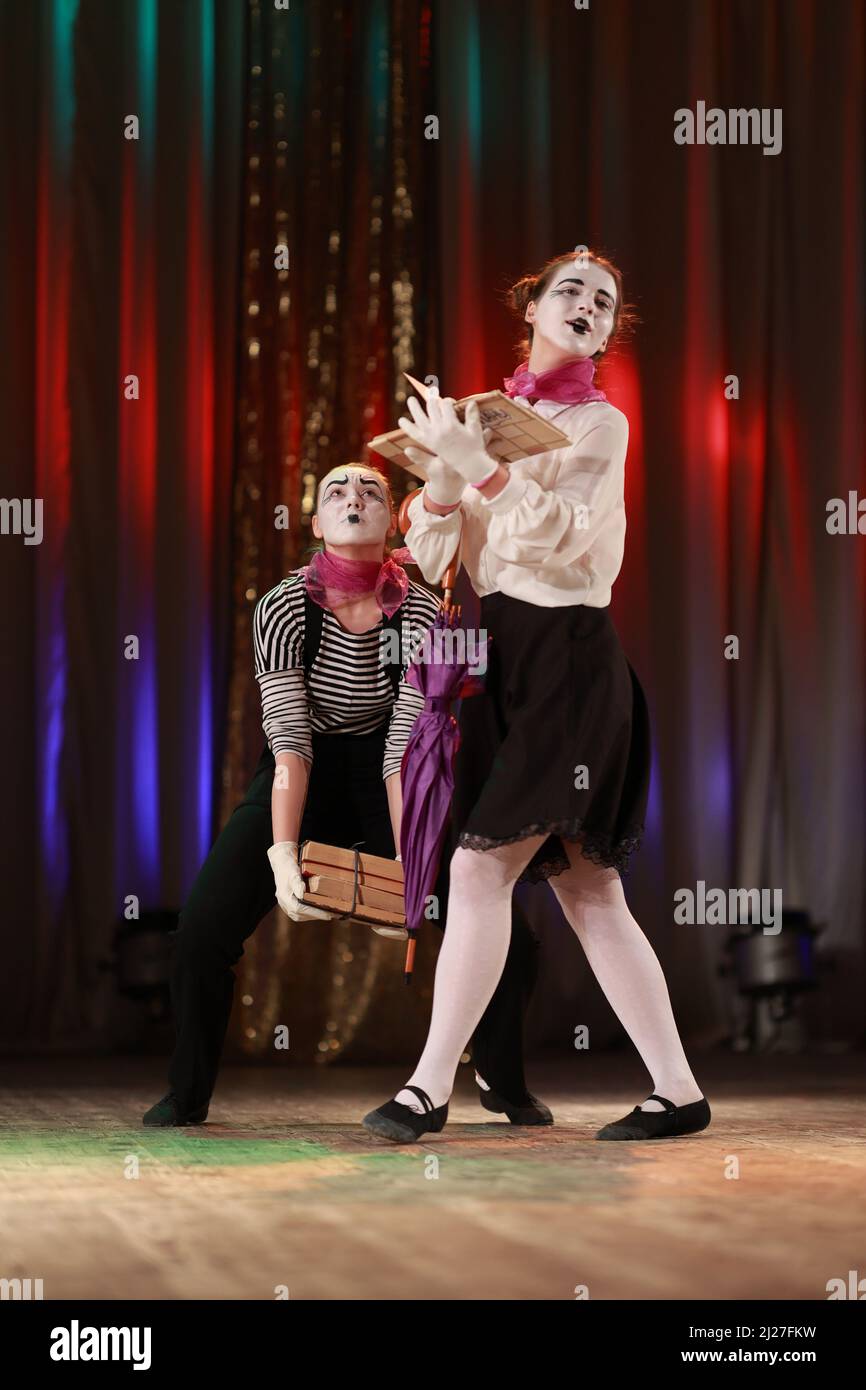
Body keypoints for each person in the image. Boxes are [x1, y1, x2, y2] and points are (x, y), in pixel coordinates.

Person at [363, 250, 711, 1143]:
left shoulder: (604, 424)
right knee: (592, 894)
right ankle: (680, 1090)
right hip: (498, 655)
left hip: (570, 658)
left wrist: (481, 470)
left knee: (482, 870)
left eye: (605, 298)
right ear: (534, 307)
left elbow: (563, 543)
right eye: (571, 290)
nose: (588, 304)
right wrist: (442, 481)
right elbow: (438, 562)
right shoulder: (486, 415)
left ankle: (426, 1088)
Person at [143, 463, 549, 1126]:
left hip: (385, 778)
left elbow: (400, 753)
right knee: (201, 934)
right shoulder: (283, 604)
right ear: (316, 524)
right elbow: (290, 743)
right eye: (336, 490)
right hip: (301, 772)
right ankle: (186, 1092)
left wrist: (412, 874)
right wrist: (281, 852)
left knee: (512, 934)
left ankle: (501, 1078)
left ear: (392, 520)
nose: (353, 497)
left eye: (370, 491)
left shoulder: (420, 610)